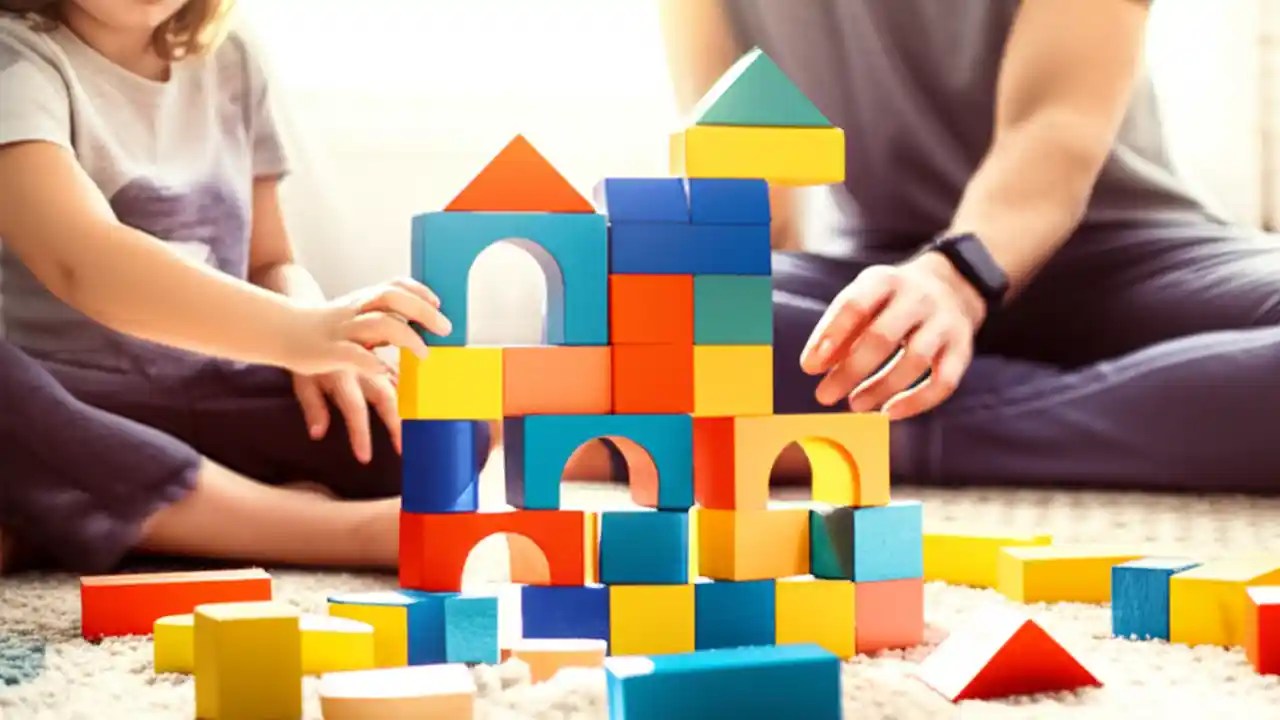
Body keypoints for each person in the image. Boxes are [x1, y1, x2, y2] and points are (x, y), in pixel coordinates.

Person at [660, 0, 1280, 493]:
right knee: (641, 319)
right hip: (882, 276)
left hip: (1128, 256)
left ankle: (903, 434)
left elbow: (1053, 126)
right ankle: (1157, 395)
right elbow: (740, 174)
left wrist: (955, 280)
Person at [0, 0, 490, 574]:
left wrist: (326, 342)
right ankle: (335, 533)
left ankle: (88, 519)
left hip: (213, 385)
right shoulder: (17, 59)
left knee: (441, 435)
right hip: (71, 405)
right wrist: (300, 333)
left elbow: (271, 261)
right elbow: (80, 261)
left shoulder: (229, 56)